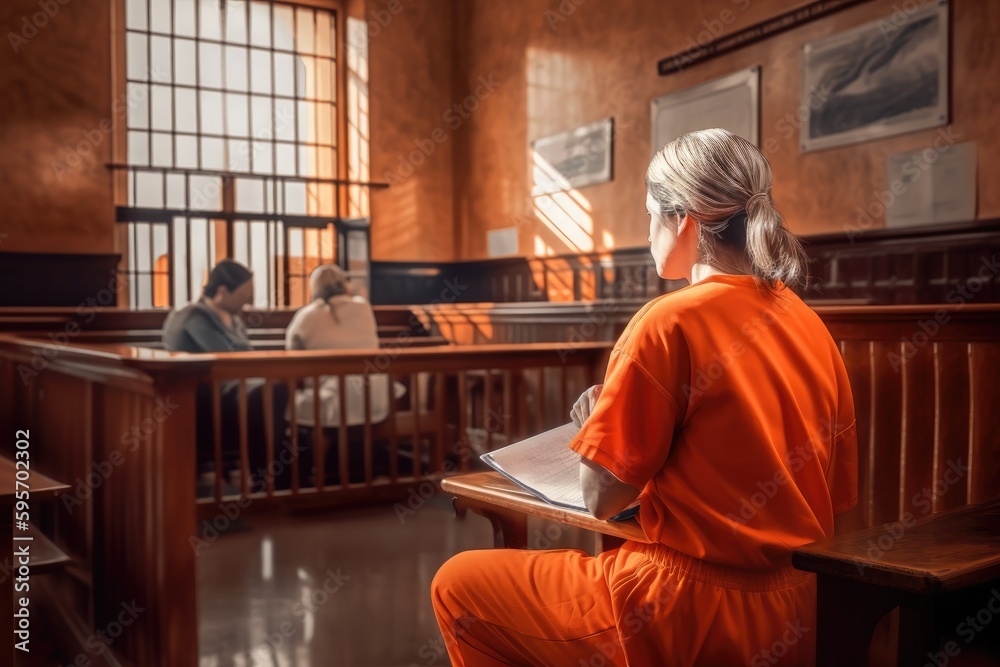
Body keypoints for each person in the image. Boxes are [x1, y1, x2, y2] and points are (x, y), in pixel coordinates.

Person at [431, 128, 858, 666]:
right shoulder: (807, 322)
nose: (647, 231)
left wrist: (598, 424)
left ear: (683, 220)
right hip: (797, 605)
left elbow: (601, 498)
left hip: (683, 606)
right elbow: (835, 493)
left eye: (649, 214)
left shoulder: (668, 320)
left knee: (457, 583)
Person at [285, 264, 403, 482]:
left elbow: (292, 351)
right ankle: (371, 470)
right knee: (348, 397)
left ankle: (317, 475)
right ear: (344, 284)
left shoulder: (308, 315)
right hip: (372, 389)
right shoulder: (363, 307)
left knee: (317, 402)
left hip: (331, 391)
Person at [162, 259, 254, 353]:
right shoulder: (193, 317)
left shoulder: (233, 318)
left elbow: (246, 351)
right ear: (222, 292)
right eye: (242, 296)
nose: (247, 302)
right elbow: (223, 355)